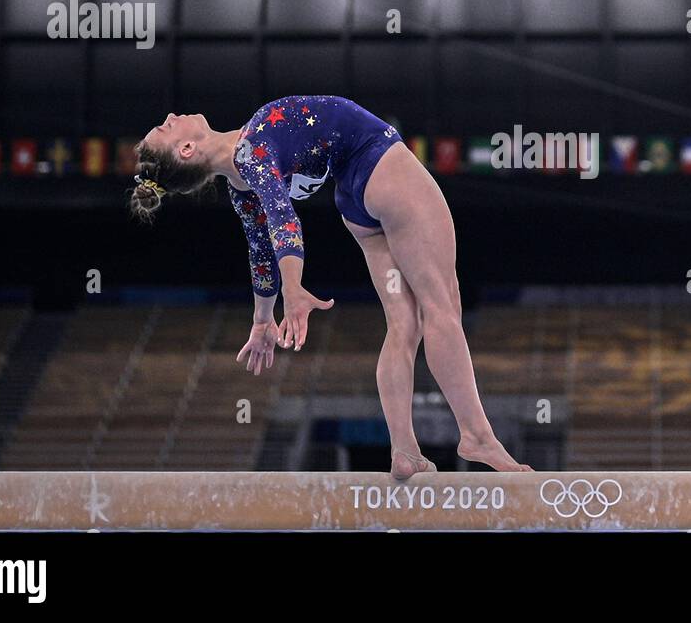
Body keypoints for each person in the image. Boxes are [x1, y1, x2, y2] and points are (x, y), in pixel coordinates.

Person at [130, 96, 530, 480]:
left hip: (355, 198)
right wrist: (294, 289)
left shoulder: (242, 178)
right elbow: (282, 223)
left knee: (404, 325)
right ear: (186, 148)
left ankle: (405, 449)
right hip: (379, 163)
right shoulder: (251, 149)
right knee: (441, 308)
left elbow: (260, 251)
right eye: (165, 127)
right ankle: (476, 436)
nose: (170, 114)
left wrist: (261, 320)